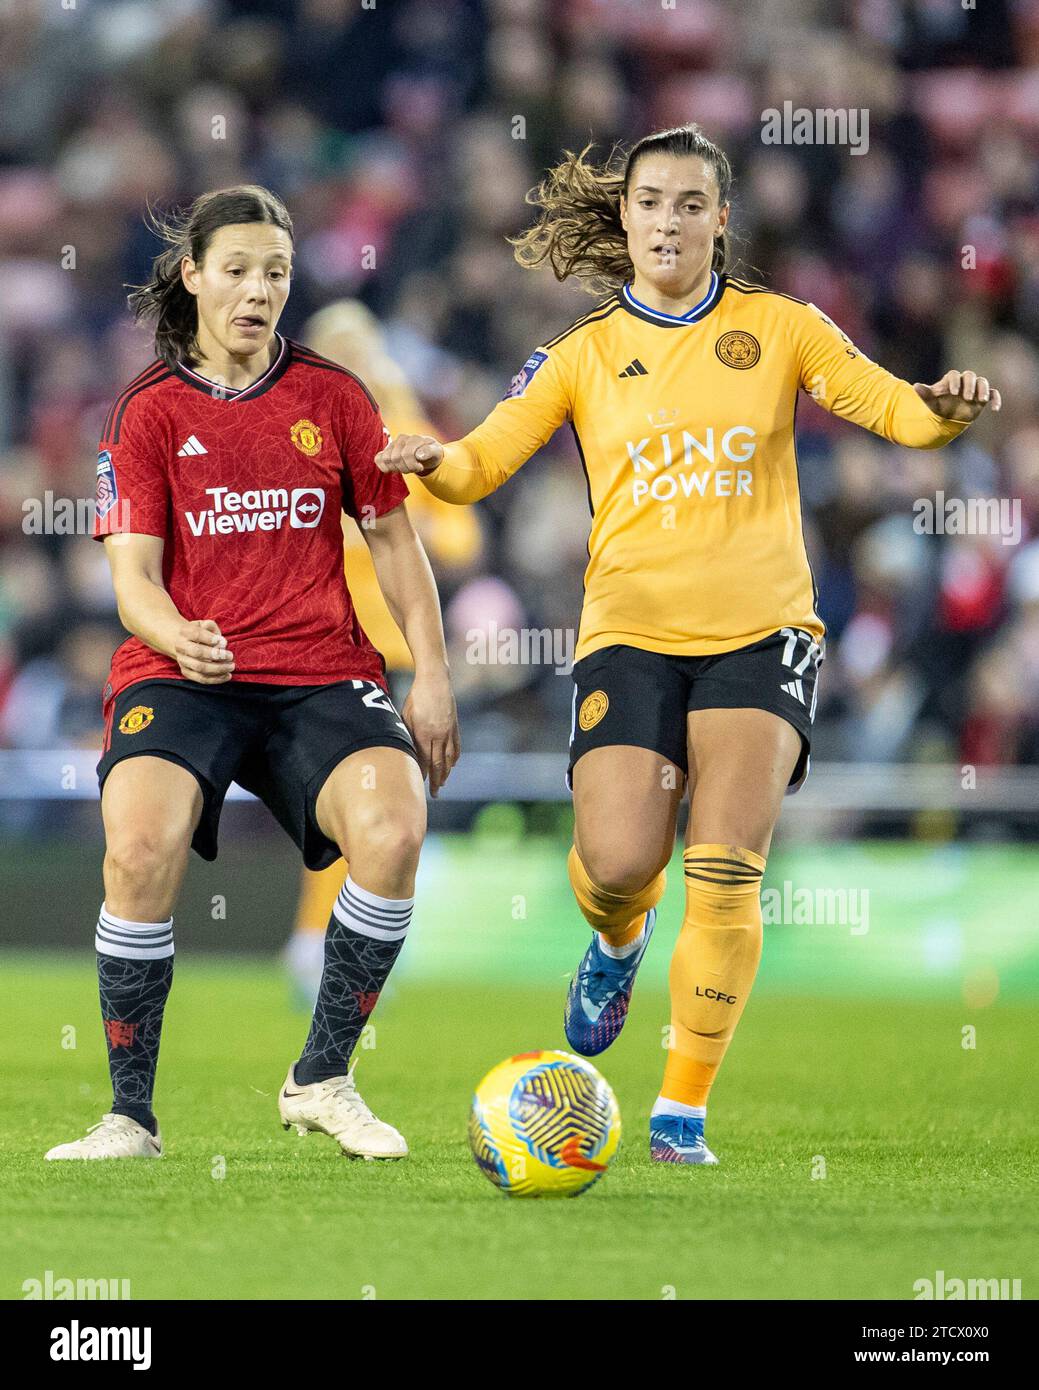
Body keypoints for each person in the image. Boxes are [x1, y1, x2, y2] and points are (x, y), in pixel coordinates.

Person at [374, 125, 1001, 1165]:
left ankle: (679, 1113)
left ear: (720, 220)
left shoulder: (781, 327)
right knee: (620, 864)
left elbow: (886, 403)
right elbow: (481, 460)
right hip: (628, 633)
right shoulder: (578, 353)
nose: (667, 220)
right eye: (649, 201)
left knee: (723, 869)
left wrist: (940, 412)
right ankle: (616, 939)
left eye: (688, 203)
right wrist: (431, 462)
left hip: (762, 632)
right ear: (624, 220)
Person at [46, 184, 459, 1163]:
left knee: (395, 828)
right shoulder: (147, 410)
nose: (256, 290)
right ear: (193, 276)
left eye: (274, 272)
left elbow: (398, 549)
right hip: (182, 667)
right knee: (139, 850)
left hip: (320, 669)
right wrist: (179, 632)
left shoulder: (335, 397)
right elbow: (132, 576)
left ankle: (323, 1078)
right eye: (235, 270)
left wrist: (433, 673)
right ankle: (129, 1118)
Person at [284, 301, 482, 1005]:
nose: (350, 364)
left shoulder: (402, 432)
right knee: (342, 811)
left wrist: (405, 521)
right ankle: (322, 946)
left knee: (380, 813)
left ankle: (341, 946)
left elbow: (462, 540)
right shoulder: (298, 428)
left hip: (388, 653)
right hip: (324, 649)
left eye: (357, 350)